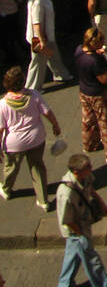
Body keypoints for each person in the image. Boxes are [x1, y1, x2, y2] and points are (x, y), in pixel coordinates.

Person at [55, 154, 107, 287]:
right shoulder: (65, 193)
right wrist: (82, 236)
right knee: (94, 264)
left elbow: (90, 188)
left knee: (72, 254)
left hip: (82, 223)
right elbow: (67, 221)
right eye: (88, 167)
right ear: (76, 172)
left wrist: (101, 202)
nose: (91, 169)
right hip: (76, 229)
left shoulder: (85, 177)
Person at [0, 66, 61, 209]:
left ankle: (6, 190)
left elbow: (1, 128)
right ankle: (43, 200)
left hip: (14, 144)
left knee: (11, 168)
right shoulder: (34, 95)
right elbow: (47, 112)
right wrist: (55, 125)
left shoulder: (3, 104)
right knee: (38, 167)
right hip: (36, 138)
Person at [74, 26, 107, 164]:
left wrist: (97, 53)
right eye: (100, 41)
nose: (103, 43)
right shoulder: (95, 61)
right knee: (105, 123)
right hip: (99, 95)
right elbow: (105, 79)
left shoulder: (79, 51)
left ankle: (89, 145)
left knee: (88, 121)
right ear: (94, 43)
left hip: (84, 91)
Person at [24, 0, 72, 91]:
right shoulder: (38, 2)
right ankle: (32, 88)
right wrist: (41, 40)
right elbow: (37, 23)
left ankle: (61, 75)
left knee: (53, 55)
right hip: (41, 37)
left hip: (46, 35)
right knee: (38, 63)